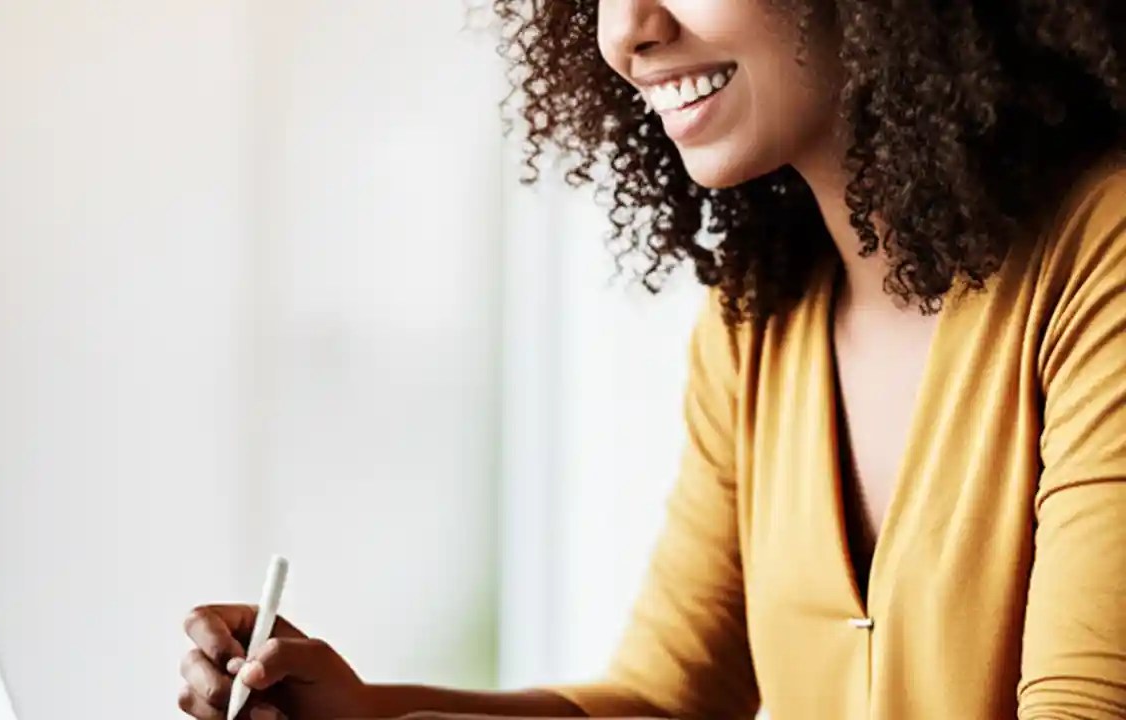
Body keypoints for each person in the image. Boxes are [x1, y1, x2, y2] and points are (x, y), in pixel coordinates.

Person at [178, 1, 1126, 718]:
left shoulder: (1101, 256)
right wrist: (371, 714)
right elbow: (664, 701)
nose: (627, 30)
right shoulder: (758, 322)